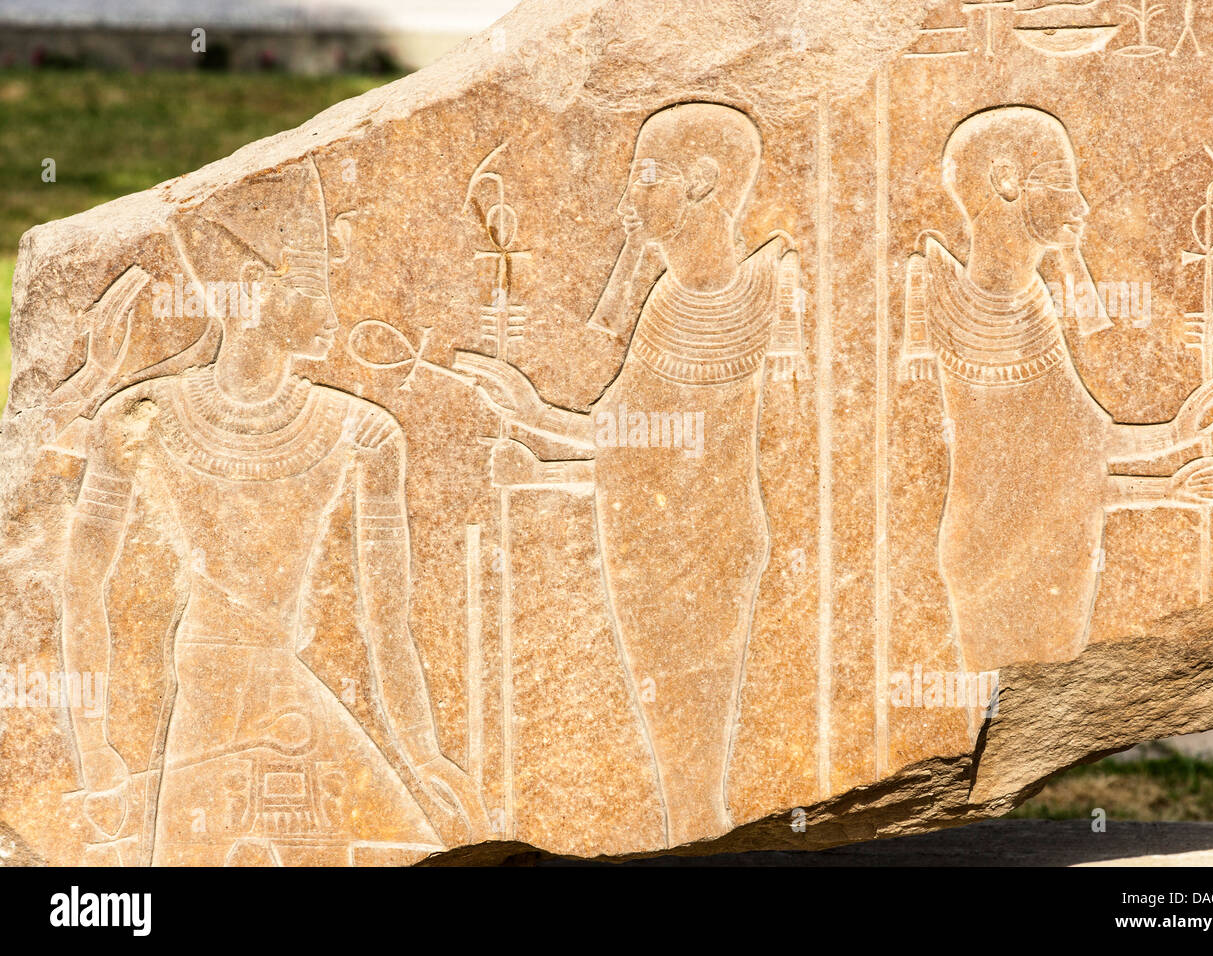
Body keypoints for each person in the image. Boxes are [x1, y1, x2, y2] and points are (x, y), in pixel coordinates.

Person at [62, 157, 486, 865]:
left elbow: (386, 619)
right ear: (257, 290)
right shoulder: (142, 417)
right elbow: (80, 586)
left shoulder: (363, 432)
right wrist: (92, 742)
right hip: (208, 698)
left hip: (285, 690)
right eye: (314, 289)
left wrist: (423, 752)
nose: (333, 312)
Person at [454, 102, 804, 846]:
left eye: (644, 180)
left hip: (712, 549)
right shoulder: (669, 301)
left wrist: (534, 426)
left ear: (704, 183)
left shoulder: (772, 285)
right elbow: (627, 441)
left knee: (697, 770)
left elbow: (746, 445)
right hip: (649, 543)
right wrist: (533, 434)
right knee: (674, 765)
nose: (625, 203)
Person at [899, 106, 1213, 673]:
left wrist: (1177, 447)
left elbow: (1071, 455)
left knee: (1029, 719)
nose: (1082, 206)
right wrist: (1171, 460)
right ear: (1007, 180)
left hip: (1037, 548)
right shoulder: (972, 309)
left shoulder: (1026, 300)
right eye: (1065, 185)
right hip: (1002, 557)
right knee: (1014, 714)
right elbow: (1059, 466)